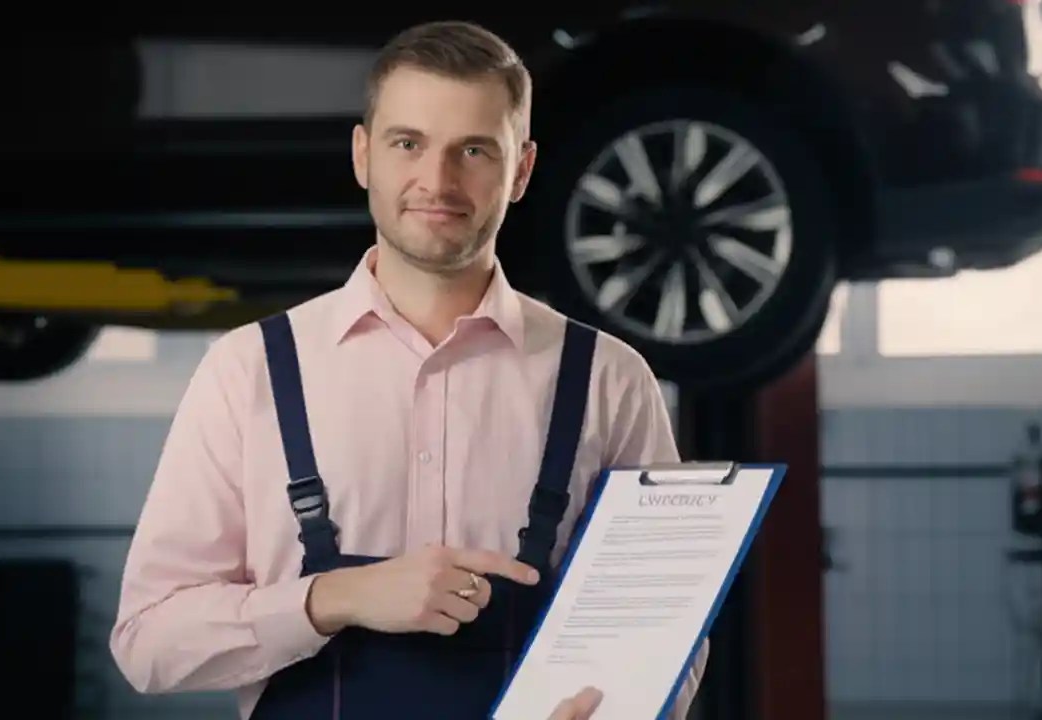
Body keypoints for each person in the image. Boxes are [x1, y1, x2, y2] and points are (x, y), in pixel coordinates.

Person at [108, 19, 708, 720]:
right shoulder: (249, 373)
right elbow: (148, 643)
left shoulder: (609, 381)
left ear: (521, 170)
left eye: (475, 150)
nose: (438, 180)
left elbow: (666, 637)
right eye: (407, 143)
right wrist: (336, 598)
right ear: (364, 155)